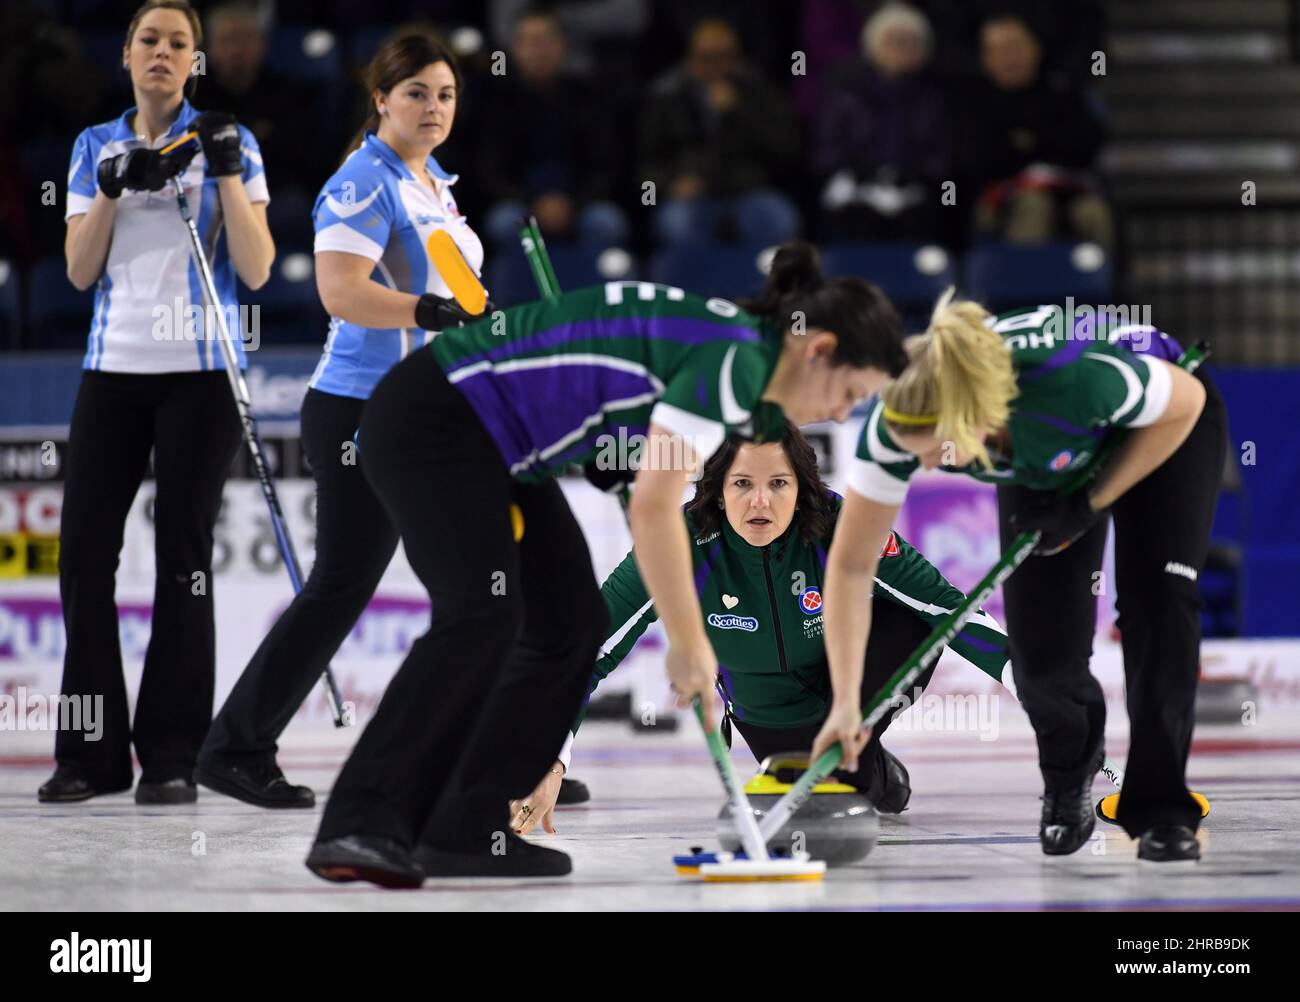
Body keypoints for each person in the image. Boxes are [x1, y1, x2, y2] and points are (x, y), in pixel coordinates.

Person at [304, 241, 908, 887]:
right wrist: (687, 644)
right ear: (817, 351)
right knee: (479, 614)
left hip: (502, 443)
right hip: (439, 421)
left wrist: (611, 437)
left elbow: (611, 381)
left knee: (571, 623)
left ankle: (465, 822)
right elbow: (654, 511)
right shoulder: (737, 360)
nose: (844, 414)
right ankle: (360, 819)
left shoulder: (743, 369)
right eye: (850, 393)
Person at [812, 294, 1227, 864]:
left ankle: (1159, 807)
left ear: (974, 420)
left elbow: (1187, 404)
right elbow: (853, 566)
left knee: (1160, 603)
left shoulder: (1071, 384)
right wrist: (844, 704)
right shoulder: (897, 427)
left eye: (935, 450)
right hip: (1045, 456)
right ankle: (1068, 778)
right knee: (1042, 653)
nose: (926, 467)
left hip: (1164, 428)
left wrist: (1088, 503)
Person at [197, 32, 486, 808]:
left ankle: (505, 752)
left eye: (446, 94)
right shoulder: (364, 181)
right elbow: (340, 291)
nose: (433, 107)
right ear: (381, 98)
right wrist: (428, 309)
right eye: (418, 92)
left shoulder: (435, 185)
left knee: (480, 578)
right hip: (364, 409)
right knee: (352, 583)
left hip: (428, 409)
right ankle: (235, 746)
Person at [510, 425, 1010, 836]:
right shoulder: (681, 541)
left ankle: (861, 749)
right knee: (830, 795)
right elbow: (588, 650)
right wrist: (550, 762)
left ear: (803, 487)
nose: (760, 503)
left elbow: (949, 609)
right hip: (767, 712)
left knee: (910, 621)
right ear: (718, 490)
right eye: (742, 484)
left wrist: (1036, 686)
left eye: (779, 484)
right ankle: (876, 771)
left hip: (853, 687)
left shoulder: (839, 523)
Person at [41, 0, 274, 804]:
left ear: (196, 61)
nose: (164, 54)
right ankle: (88, 756)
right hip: (114, 370)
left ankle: (173, 755)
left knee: (185, 562)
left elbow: (256, 269)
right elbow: (76, 270)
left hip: (200, 374)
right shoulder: (91, 145)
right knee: (82, 559)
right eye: (150, 40)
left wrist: (231, 170)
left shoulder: (228, 142)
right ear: (128, 55)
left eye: (180, 43)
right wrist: (110, 187)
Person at [639, 18, 802, 247]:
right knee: (677, 222)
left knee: (779, 217)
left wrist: (738, 112)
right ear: (690, 59)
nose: (716, 67)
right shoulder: (666, 96)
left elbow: (786, 151)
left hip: (748, 192)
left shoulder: (759, 92)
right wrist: (669, 186)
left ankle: (761, 282)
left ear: (738, 59)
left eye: (726, 57)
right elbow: (646, 164)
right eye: (707, 59)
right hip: (692, 198)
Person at [955, 14, 1112, 246]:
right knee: (1035, 204)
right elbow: (976, 161)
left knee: (1094, 212)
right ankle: (1025, 281)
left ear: (1035, 50)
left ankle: (1102, 280)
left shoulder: (1062, 93)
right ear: (985, 58)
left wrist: (1031, 144)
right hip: (999, 200)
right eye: (1000, 51)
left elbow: (1088, 143)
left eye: (1016, 48)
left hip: (1068, 192)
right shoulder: (973, 102)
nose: (1010, 58)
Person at [477, 8, 629, 249]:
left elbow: (607, 165)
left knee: (607, 222)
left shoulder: (591, 96)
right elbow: (491, 171)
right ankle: (516, 286)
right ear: (515, 49)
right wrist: (534, 203)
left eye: (547, 40)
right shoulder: (498, 102)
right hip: (521, 202)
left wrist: (573, 203)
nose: (539, 51)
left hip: (582, 202)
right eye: (529, 42)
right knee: (503, 221)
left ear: (563, 45)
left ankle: (592, 286)